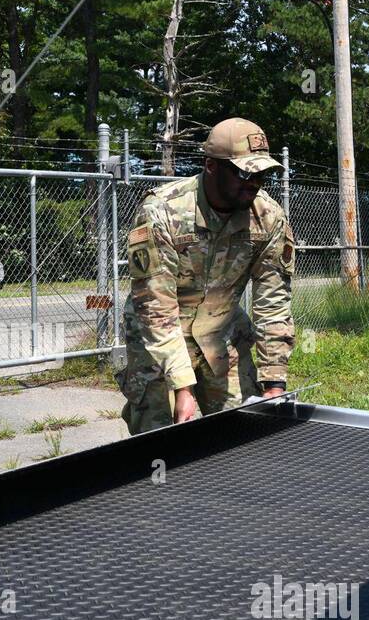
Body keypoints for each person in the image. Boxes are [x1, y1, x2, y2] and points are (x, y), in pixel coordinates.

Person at [118, 117, 296, 434]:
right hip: (158, 334)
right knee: (157, 436)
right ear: (211, 166)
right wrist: (182, 387)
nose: (254, 182)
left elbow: (273, 302)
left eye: (262, 173)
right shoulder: (163, 212)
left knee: (244, 429)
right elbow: (156, 306)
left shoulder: (269, 218)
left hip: (221, 331)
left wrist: (274, 380)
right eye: (244, 172)